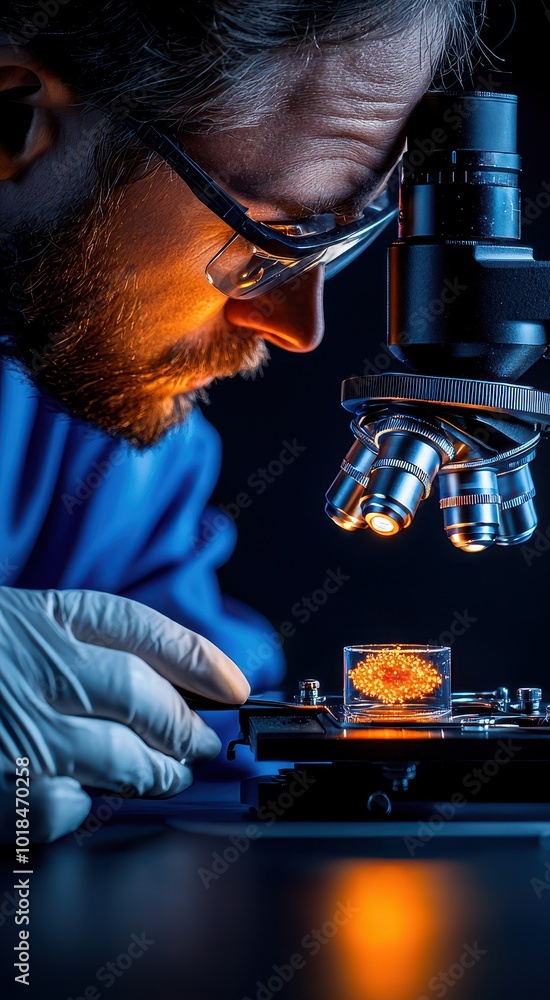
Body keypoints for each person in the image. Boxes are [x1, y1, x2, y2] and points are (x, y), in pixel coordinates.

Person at [0, 0, 485, 841]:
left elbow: (213, 741)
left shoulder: (97, 445)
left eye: (341, 241)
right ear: (16, 117)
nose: (299, 331)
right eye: (269, 245)